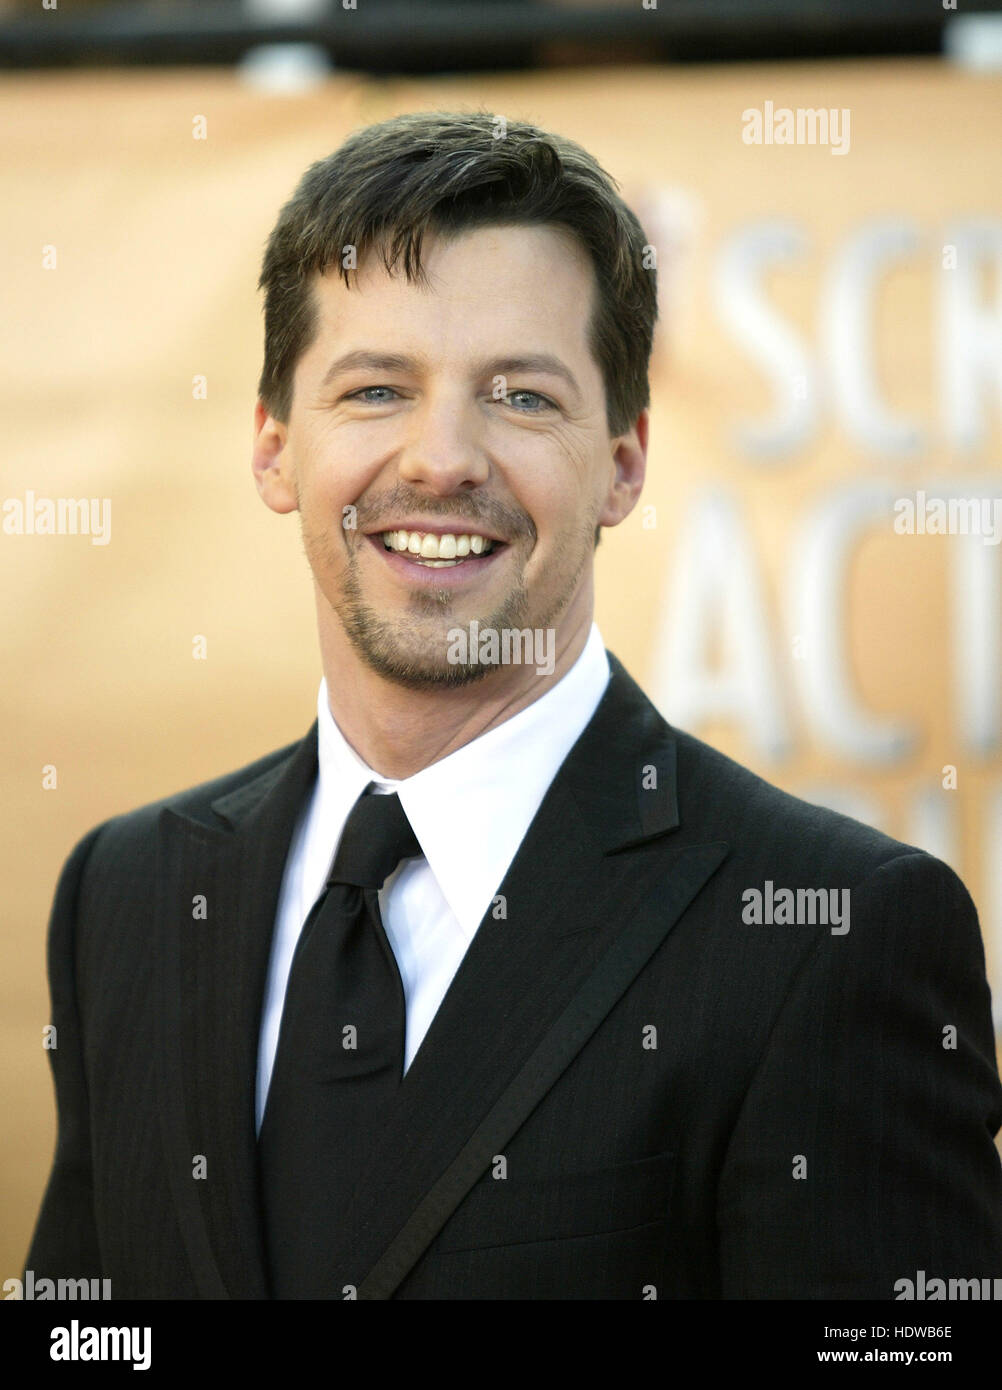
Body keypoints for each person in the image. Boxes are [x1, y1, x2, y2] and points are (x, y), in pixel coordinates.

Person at [25, 110, 1002, 1300]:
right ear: (275, 448)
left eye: (523, 398)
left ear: (625, 463)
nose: (442, 458)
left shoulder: (831, 933)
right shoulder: (126, 894)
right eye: (375, 389)